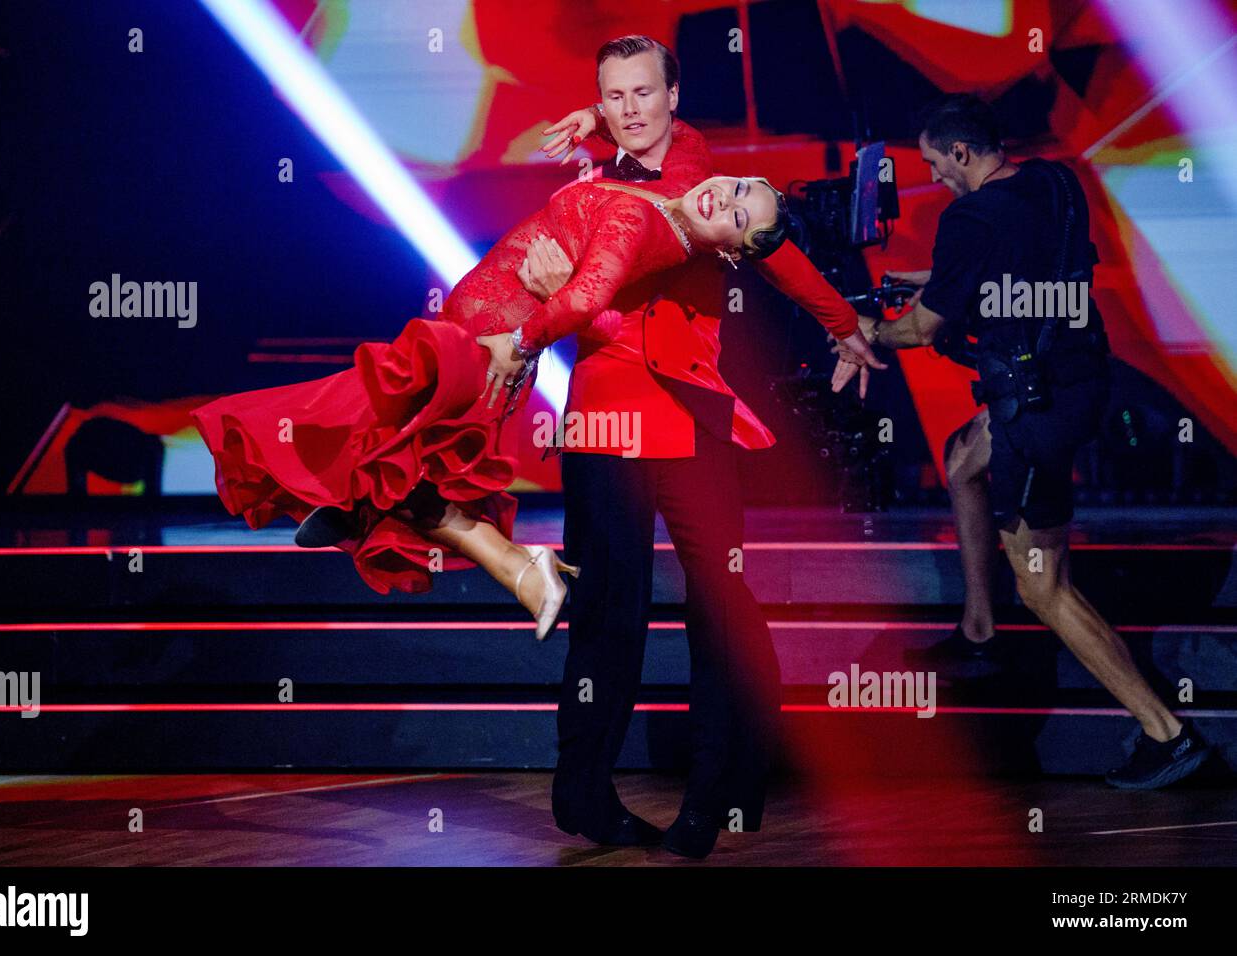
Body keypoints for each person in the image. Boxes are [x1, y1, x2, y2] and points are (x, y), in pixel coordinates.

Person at [526, 35, 883, 857]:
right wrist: (554, 300)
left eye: (643, 92)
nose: (630, 109)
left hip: (691, 420)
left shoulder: (701, 170)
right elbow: (556, 294)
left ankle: (715, 796)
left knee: (720, 606)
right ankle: (583, 794)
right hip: (603, 423)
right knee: (605, 618)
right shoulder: (589, 185)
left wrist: (842, 324)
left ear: (673, 97)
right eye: (613, 95)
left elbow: (777, 251)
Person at [190, 171, 796, 645]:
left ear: (731, 254)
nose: (726, 199)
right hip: (476, 335)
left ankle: (462, 547)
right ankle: (488, 558)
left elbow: (588, 295)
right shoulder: (670, 197)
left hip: (483, 349)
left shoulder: (646, 224)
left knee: (340, 421)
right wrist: (594, 114)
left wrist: (526, 341)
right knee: (390, 453)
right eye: (738, 186)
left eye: (739, 217)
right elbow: (674, 135)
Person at [836, 93, 1211, 789]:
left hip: (1034, 408)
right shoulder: (1051, 182)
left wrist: (856, 335)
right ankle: (979, 630)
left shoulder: (969, 216)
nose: (934, 176)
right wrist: (930, 282)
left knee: (1045, 588)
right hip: (1078, 376)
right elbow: (1020, 269)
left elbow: (923, 331)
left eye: (934, 163)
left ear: (962, 153)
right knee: (961, 458)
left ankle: (1169, 733)